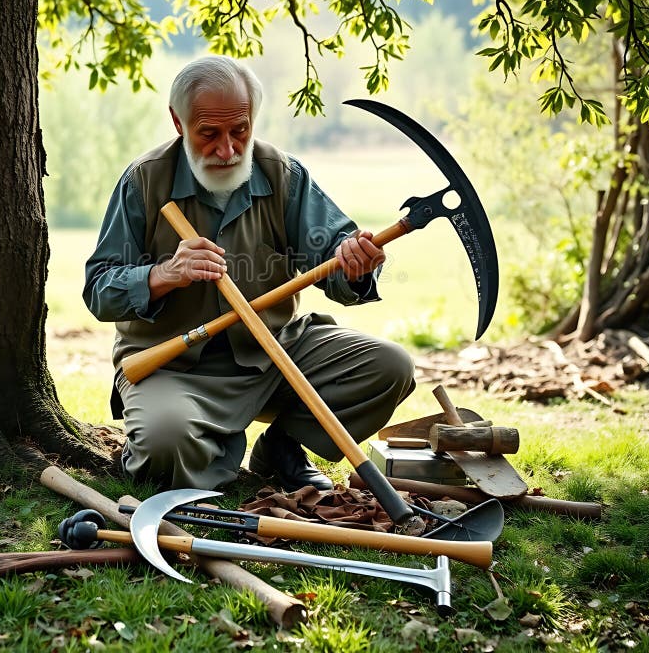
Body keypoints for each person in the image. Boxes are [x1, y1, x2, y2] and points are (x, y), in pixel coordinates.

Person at [83, 55, 415, 491]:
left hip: (276, 352)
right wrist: (164, 274)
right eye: (209, 134)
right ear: (178, 122)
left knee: (389, 366)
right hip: (173, 366)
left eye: (240, 130)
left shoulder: (284, 174)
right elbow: (99, 288)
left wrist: (354, 265)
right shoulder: (144, 180)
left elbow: (335, 261)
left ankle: (281, 447)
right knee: (162, 448)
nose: (228, 150)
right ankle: (209, 446)